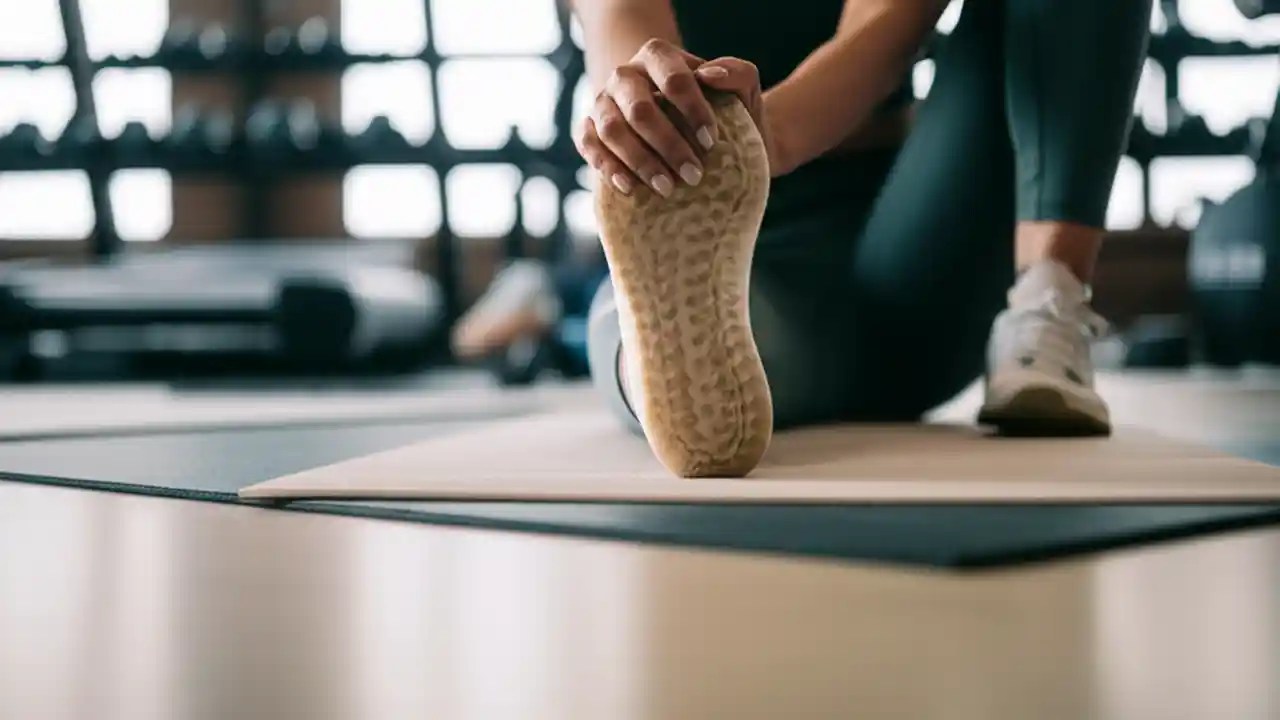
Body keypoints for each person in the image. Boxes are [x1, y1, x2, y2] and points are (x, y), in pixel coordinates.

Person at [572, 0, 1152, 448]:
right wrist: (649, 108)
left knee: (732, 340)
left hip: (913, 259)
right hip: (741, 275)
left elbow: (885, 23)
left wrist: (760, 135)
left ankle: (1044, 305)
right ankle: (652, 360)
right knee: (684, 331)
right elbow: (620, 20)